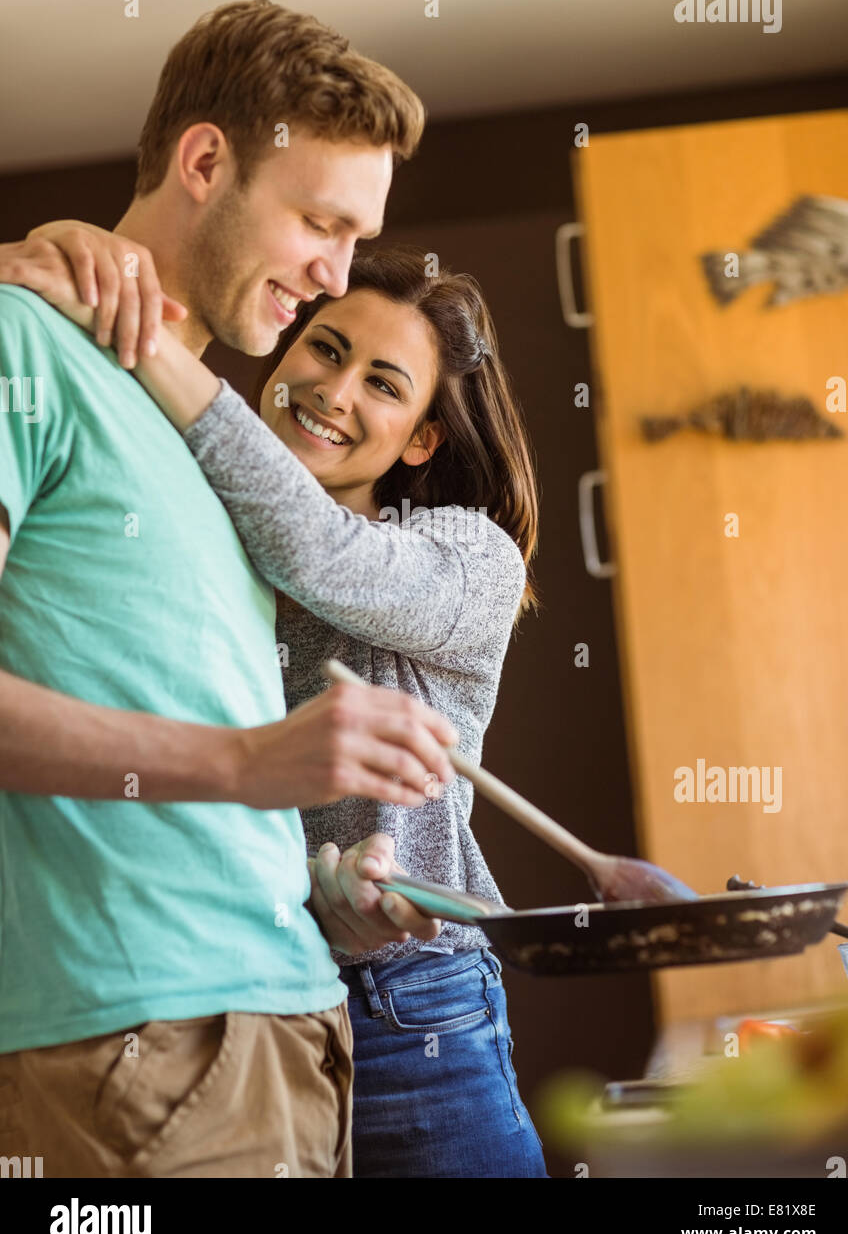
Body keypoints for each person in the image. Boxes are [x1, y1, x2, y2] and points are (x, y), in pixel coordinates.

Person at [0, 0, 461, 1180]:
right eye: (318, 221)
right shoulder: (22, 342)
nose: (332, 274)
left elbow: (166, 747)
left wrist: (324, 894)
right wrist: (253, 762)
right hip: (138, 1038)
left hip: (293, 1033)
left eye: (356, 238)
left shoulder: (204, 442)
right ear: (204, 162)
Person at [8, 222, 550, 1178]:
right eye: (324, 351)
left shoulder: (467, 559)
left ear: (422, 437)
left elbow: (314, 548)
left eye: (383, 385)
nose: (333, 394)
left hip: (418, 1014)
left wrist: (147, 340)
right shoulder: (194, 522)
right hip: (262, 993)